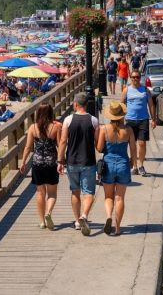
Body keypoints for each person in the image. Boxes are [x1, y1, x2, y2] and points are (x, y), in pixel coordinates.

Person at [57, 92, 100, 236]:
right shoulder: (94, 121)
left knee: (75, 191)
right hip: (88, 160)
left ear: (75, 104)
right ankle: (84, 216)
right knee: (88, 193)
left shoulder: (68, 120)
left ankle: (77, 221)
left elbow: (63, 141)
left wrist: (60, 160)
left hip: (72, 161)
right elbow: (98, 144)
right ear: (86, 105)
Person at [97, 101, 137, 236]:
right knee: (120, 198)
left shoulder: (104, 129)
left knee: (108, 196)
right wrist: (134, 163)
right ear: (121, 116)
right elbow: (133, 148)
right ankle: (118, 228)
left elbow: (99, 148)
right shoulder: (128, 130)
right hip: (123, 164)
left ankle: (108, 216)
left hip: (108, 165)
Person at [21, 103, 61, 230]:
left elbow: (28, 147)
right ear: (50, 113)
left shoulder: (33, 127)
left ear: (38, 113)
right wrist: (61, 161)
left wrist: (23, 162)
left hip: (37, 163)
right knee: (52, 193)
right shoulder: (56, 127)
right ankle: (48, 213)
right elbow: (60, 146)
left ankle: (42, 221)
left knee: (40, 192)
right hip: (51, 163)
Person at [121, 70, 155, 176]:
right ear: (130, 78)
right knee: (132, 145)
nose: (135, 79)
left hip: (143, 120)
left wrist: (153, 119)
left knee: (142, 143)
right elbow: (121, 105)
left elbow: (151, 105)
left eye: (137, 77)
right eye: (133, 77)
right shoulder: (126, 90)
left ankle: (141, 165)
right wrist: (120, 121)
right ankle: (134, 166)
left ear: (140, 78)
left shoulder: (145, 90)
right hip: (130, 120)